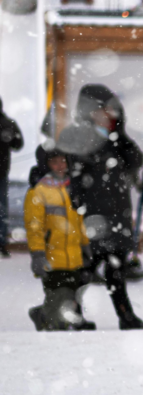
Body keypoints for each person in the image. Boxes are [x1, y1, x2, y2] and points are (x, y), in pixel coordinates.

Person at [57, 84, 143, 330]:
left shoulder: (115, 137)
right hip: (95, 216)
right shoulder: (80, 137)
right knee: (88, 268)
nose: (109, 113)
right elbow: (76, 179)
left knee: (113, 268)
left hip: (117, 211)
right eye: (104, 108)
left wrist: (119, 134)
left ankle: (123, 316)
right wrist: (79, 209)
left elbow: (136, 160)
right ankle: (75, 315)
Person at [25, 148, 96, 331]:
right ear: (46, 165)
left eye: (63, 161)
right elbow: (35, 227)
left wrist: (85, 244)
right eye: (55, 162)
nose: (60, 166)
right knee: (58, 292)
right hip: (52, 255)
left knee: (73, 292)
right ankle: (46, 317)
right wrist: (38, 254)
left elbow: (78, 220)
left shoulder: (69, 188)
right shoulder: (38, 192)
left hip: (72, 254)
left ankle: (53, 315)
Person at [0, 97, 25, 258]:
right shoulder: (8, 124)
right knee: (2, 209)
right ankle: (1, 243)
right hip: (2, 171)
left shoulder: (8, 124)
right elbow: (18, 144)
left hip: (2, 171)